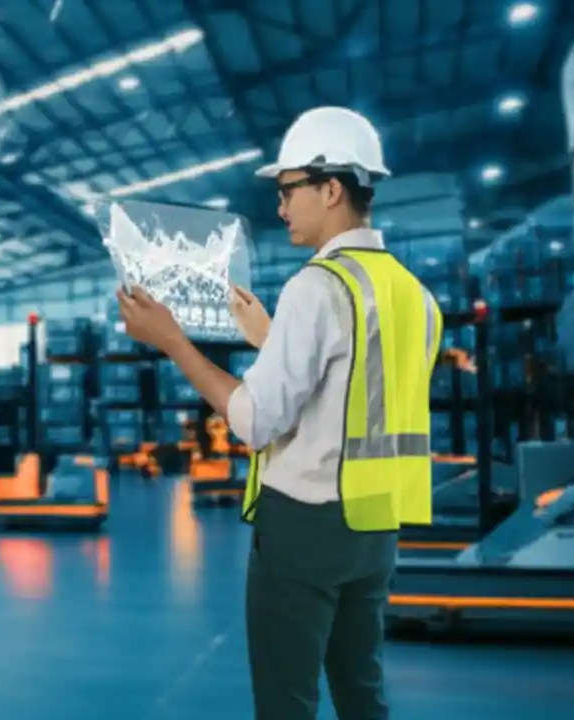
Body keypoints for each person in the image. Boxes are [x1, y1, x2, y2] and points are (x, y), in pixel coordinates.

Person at [117, 106, 442, 720]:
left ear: (331, 188)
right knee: (360, 690)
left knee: (285, 701)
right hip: (376, 527)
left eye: (289, 189)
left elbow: (254, 421)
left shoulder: (317, 288)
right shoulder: (414, 296)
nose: (281, 205)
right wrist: (271, 339)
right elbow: (352, 393)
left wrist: (172, 341)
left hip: (306, 529)